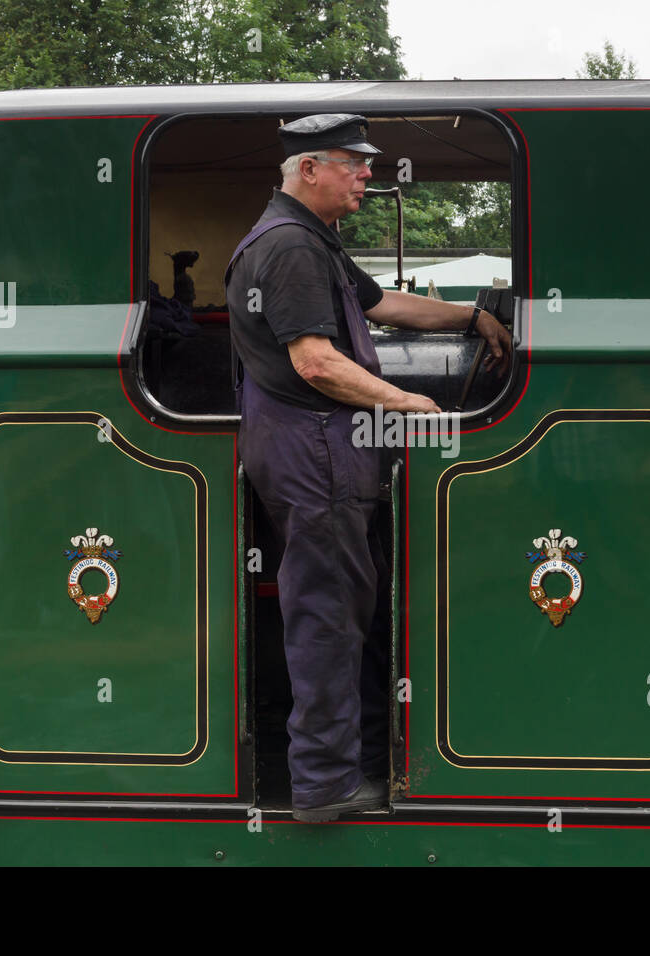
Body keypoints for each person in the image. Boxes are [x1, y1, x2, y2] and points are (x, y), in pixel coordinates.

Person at [225, 114, 512, 823]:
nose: (368, 175)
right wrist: (402, 399)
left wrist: (472, 316)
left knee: (347, 605)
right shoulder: (290, 246)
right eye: (354, 164)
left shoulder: (308, 239)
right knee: (326, 614)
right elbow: (314, 361)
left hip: (317, 445)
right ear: (309, 169)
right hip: (314, 447)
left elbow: (385, 304)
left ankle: (356, 760)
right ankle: (324, 787)